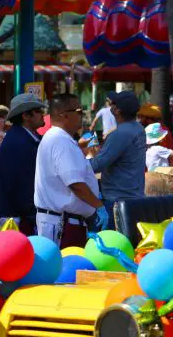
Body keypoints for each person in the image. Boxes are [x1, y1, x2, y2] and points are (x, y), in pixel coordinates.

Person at [34, 94, 106, 248]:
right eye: (79, 111)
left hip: (64, 221)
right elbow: (75, 184)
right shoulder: (60, 140)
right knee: (64, 269)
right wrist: (98, 206)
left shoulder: (60, 138)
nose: (82, 115)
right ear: (64, 115)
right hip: (62, 224)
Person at [89, 90, 148, 222]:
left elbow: (97, 165)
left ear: (117, 110)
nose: (111, 106)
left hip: (117, 201)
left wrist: (76, 162)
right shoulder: (138, 128)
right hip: (135, 197)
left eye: (113, 104)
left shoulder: (120, 134)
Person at [0, 93, 47, 235]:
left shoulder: (30, 137)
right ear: (25, 116)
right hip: (19, 220)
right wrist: (33, 213)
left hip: (28, 216)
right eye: (38, 111)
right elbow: (18, 185)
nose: (43, 114)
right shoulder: (16, 142)